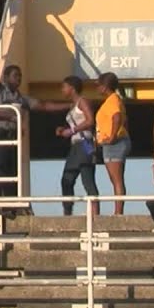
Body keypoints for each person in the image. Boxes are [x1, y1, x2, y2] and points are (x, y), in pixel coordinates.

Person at [0, 65, 47, 200]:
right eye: (15, 75)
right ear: (6, 77)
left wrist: (69, 105)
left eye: (20, 76)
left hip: (12, 139)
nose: (19, 79)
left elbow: (42, 106)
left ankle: (11, 207)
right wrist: (8, 116)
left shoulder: (20, 98)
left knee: (12, 174)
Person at [53, 76, 99, 216]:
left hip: (85, 144)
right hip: (76, 145)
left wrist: (72, 130)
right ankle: (68, 212)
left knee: (87, 180)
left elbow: (90, 121)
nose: (62, 90)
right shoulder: (72, 106)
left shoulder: (82, 101)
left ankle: (95, 216)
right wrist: (64, 129)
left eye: (64, 87)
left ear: (72, 88)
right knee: (67, 179)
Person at [95, 73, 130, 215]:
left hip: (114, 143)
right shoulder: (114, 100)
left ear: (104, 87)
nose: (97, 88)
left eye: (98, 85)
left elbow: (117, 117)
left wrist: (112, 136)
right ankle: (118, 211)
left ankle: (118, 213)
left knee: (117, 180)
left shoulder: (112, 100)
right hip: (114, 142)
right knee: (115, 179)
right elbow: (124, 120)